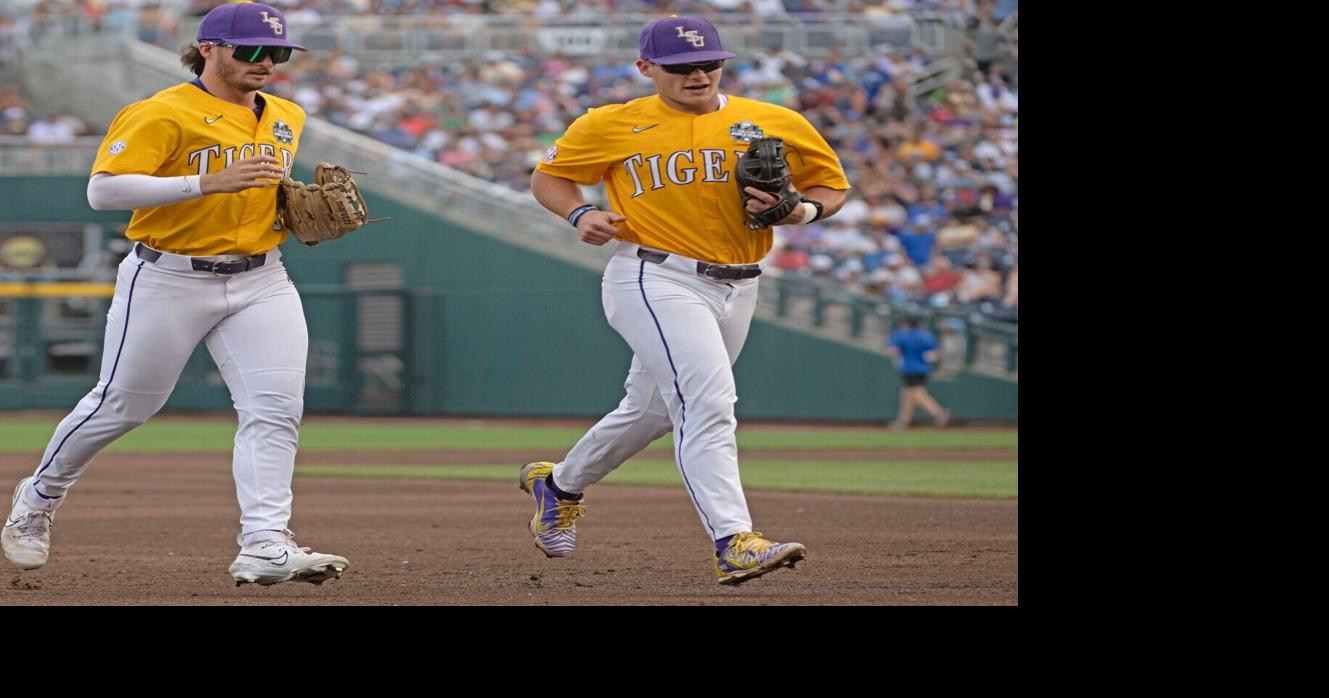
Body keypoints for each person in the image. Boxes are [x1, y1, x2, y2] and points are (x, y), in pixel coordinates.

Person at [3, 3, 348, 587]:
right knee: (123, 404)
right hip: (168, 276)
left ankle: (265, 543)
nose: (265, 63)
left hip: (263, 277)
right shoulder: (162, 111)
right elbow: (103, 192)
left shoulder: (286, 115)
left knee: (276, 410)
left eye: (278, 53)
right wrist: (204, 183)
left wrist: (290, 206)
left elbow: (256, 189)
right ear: (208, 48)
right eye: (250, 51)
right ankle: (37, 498)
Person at [525, 15, 850, 585]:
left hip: (741, 281)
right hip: (655, 276)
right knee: (708, 402)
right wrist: (580, 213)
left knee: (650, 412)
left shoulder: (773, 121)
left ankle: (559, 485)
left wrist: (806, 210)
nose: (698, 75)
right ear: (646, 69)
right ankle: (734, 539)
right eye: (680, 67)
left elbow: (832, 185)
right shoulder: (611, 124)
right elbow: (548, 176)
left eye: (709, 63)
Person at [887, 315, 951, 430]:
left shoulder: (901, 335)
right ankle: (903, 421)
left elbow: (893, 351)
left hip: (909, 368)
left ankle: (939, 413)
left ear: (906, 324)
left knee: (917, 393)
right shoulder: (926, 336)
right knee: (907, 393)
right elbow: (936, 353)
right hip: (924, 368)